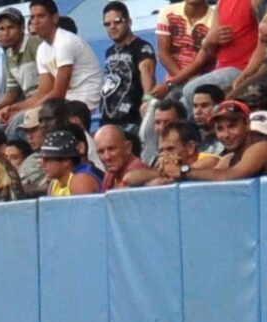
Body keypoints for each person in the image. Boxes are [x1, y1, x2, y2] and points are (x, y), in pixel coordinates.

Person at [161, 97, 267, 177]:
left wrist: (183, 171)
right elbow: (212, 179)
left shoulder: (262, 148)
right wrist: (168, 170)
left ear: (247, 124)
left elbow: (230, 176)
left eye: (232, 126)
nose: (225, 134)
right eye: (220, 128)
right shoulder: (228, 159)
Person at [15, 1, 104, 113]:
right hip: (66, 100)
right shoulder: (42, 49)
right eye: (32, 17)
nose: (35, 22)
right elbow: (43, 94)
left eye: (41, 16)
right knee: (16, 118)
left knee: (32, 118)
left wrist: (28, 110)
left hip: (84, 100)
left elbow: (58, 93)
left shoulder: (64, 42)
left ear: (55, 18)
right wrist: (16, 108)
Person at [181, 0, 262, 112]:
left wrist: (250, 71)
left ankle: (209, 128)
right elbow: (208, 51)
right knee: (179, 103)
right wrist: (209, 40)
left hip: (242, 69)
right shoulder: (221, 2)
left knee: (190, 91)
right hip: (221, 69)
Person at [101, 3, 158, 137]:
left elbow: (147, 70)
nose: (112, 27)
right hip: (108, 121)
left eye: (117, 22)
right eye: (107, 24)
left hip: (132, 120)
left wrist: (148, 98)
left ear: (129, 22)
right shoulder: (109, 52)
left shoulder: (142, 46)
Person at [122, 118, 224, 185]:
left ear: (190, 148)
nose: (165, 155)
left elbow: (159, 183)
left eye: (170, 149)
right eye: (161, 150)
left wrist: (164, 174)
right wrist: (161, 173)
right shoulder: (166, 169)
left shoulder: (209, 160)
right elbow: (128, 178)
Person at [0, 8, 42, 130]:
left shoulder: (34, 44)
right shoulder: (9, 54)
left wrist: (17, 108)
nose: (5, 33)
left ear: (22, 27)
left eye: (10, 28)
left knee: (16, 123)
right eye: (2, 29)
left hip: (44, 101)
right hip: (30, 104)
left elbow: (48, 88)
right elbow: (12, 91)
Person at [39, 127, 102, 194]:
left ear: (66, 161)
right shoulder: (54, 184)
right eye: (43, 159)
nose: (43, 164)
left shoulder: (81, 180)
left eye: (48, 159)